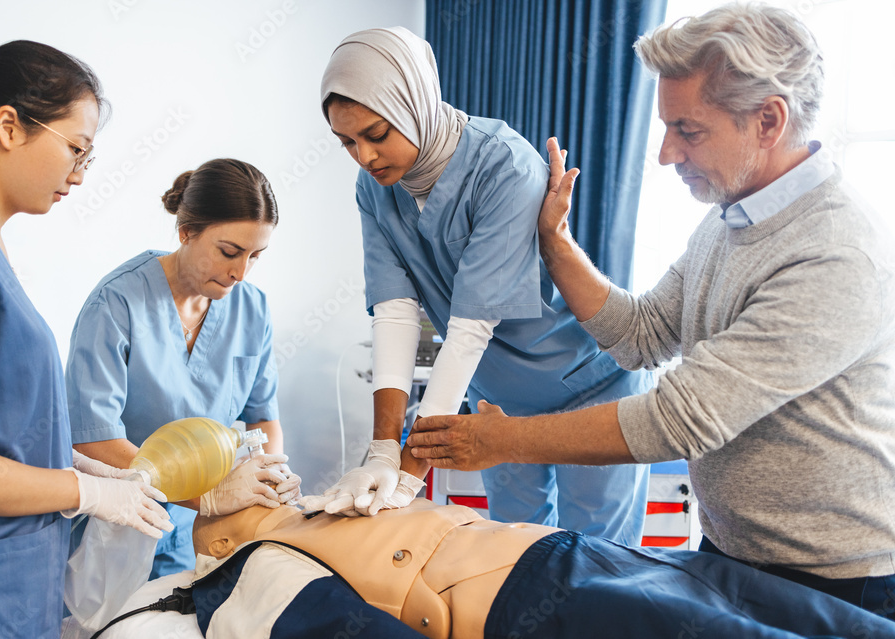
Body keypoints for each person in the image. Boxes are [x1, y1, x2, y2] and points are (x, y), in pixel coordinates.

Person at [408, 4, 895, 621]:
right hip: (730, 549)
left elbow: (681, 420)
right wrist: (556, 246)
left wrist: (503, 441)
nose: (666, 154)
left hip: (833, 579)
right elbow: (641, 336)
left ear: (768, 120)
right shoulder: (729, 220)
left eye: (688, 131)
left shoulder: (836, 252)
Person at [300, 27, 653, 544]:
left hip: (588, 388)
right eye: (347, 142)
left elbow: (469, 329)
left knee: (598, 560)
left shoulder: (503, 165)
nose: (365, 156)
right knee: (515, 553)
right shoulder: (376, 190)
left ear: (413, 103)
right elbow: (396, 314)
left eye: (377, 134)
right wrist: (380, 450)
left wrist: (404, 475)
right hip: (498, 401)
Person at [0, 43, 173, 638]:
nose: (79, 172)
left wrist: (84, 470)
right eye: (76, 149)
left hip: (6, 591)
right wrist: (83, 492)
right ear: (7, 127)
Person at [178, 500, 895, 638]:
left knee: (814, 614)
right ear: (216, 535)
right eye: (240, 476)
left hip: (577, 550)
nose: (264, 464)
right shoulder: (255, 564)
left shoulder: (321, 501)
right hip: (531, 597)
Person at [65, 158, 301, 579]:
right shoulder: (117, 304)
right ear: (186, 232)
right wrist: (208, 494)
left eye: (255, 256)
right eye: (229, 252)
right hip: (118, 521)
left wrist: (269, 479)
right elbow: (93, 439)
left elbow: (261, 416)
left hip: (202, 527)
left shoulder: (251, 308)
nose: (239, 273)